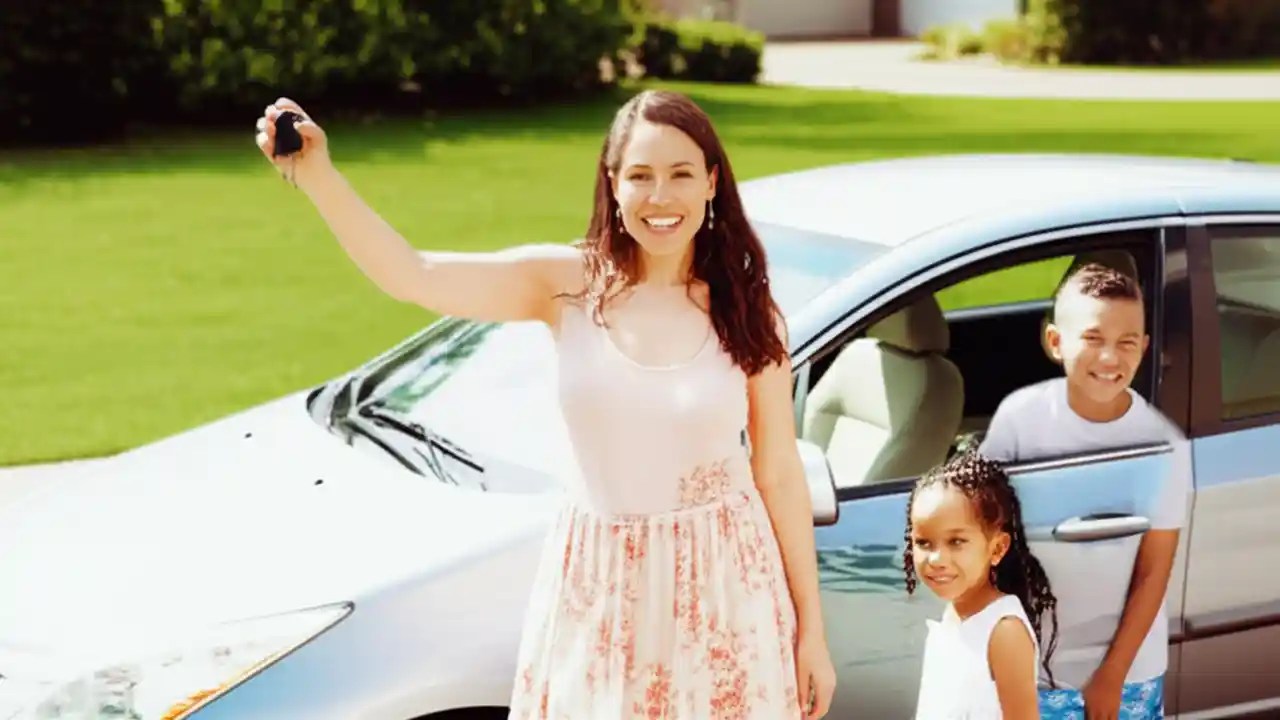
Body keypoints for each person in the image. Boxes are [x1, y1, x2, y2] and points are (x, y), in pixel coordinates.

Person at [253, 90, 837, 718]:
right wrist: (318, 177)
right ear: (613, 185)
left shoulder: (749, 314)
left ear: (712, 183)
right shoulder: (565, 285)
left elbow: (776, 473)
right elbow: (414, 274)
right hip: (600, 589)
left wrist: (812, 633)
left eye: (680, 174)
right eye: (640, 176)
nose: (660, 197)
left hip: (725, 592)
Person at [980, 263, 1191, 719]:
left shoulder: (1164, 447)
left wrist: (1111, 675)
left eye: (1126, 343)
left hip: (1127, 673)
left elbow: (1153, 572)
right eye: (1093, 339)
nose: (1110, 359)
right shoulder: (1018, 420)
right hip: (1033, 666)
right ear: (1056, 342)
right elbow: (986, 537)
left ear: (1145, 348)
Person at [905, 450, 1059, 719]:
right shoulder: (956, 612)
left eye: (956, 542)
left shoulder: (1004, 631)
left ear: (997, 548)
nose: (936, 559)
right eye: (923, 542)